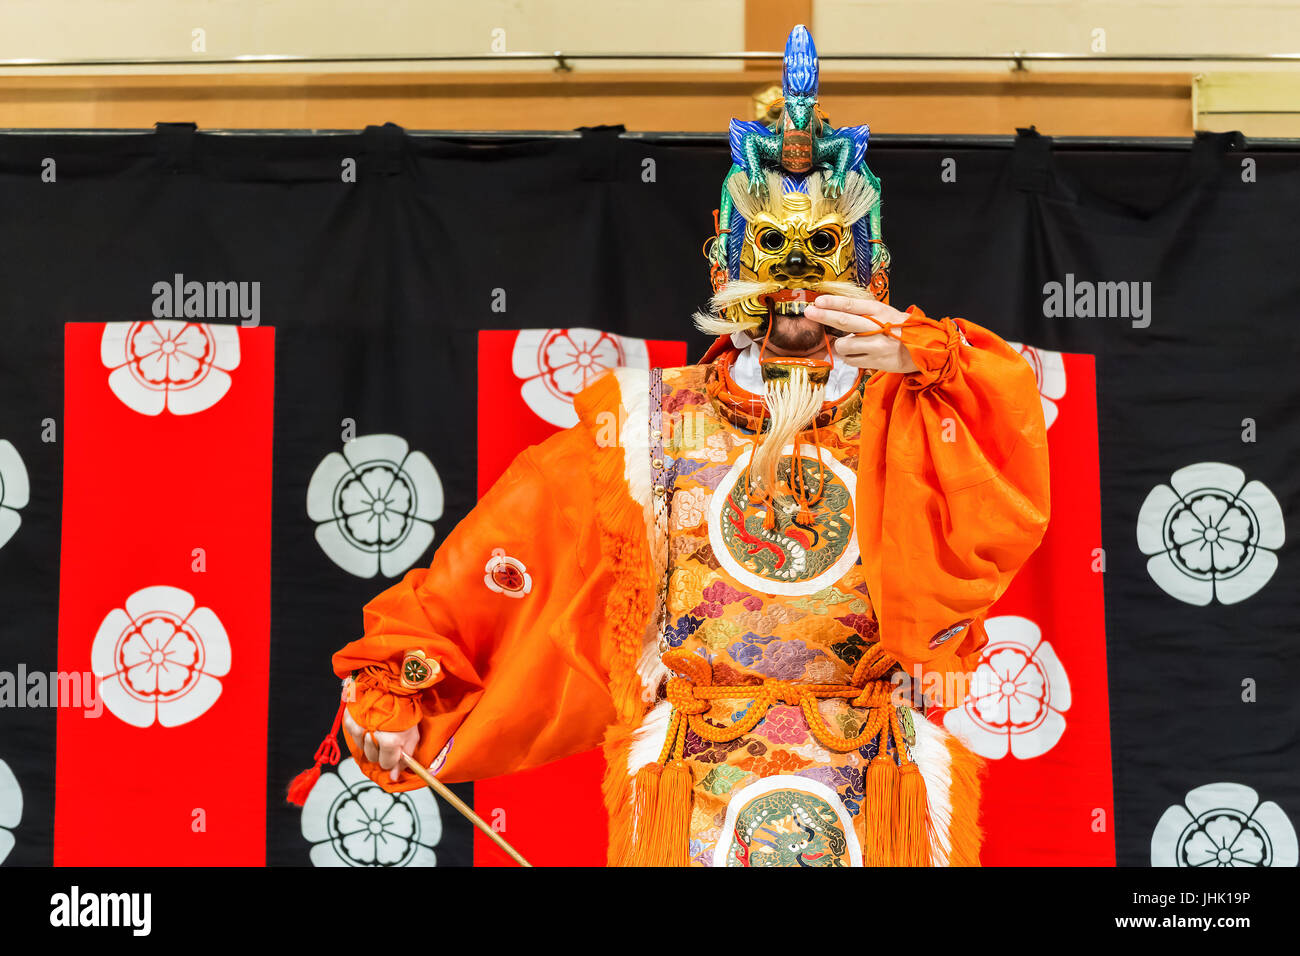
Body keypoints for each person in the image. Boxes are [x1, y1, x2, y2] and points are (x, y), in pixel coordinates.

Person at [291, 25, 1049, 867]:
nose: (796, 277)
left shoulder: (911, 412)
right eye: (773, 249)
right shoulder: (648, 424)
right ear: (731, 262)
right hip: (694, 779)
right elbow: (505, 552)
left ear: (864, 264)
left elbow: (1009, 461)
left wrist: (931, 356)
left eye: (822, 250)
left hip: (873, 769)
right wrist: (395, 680)